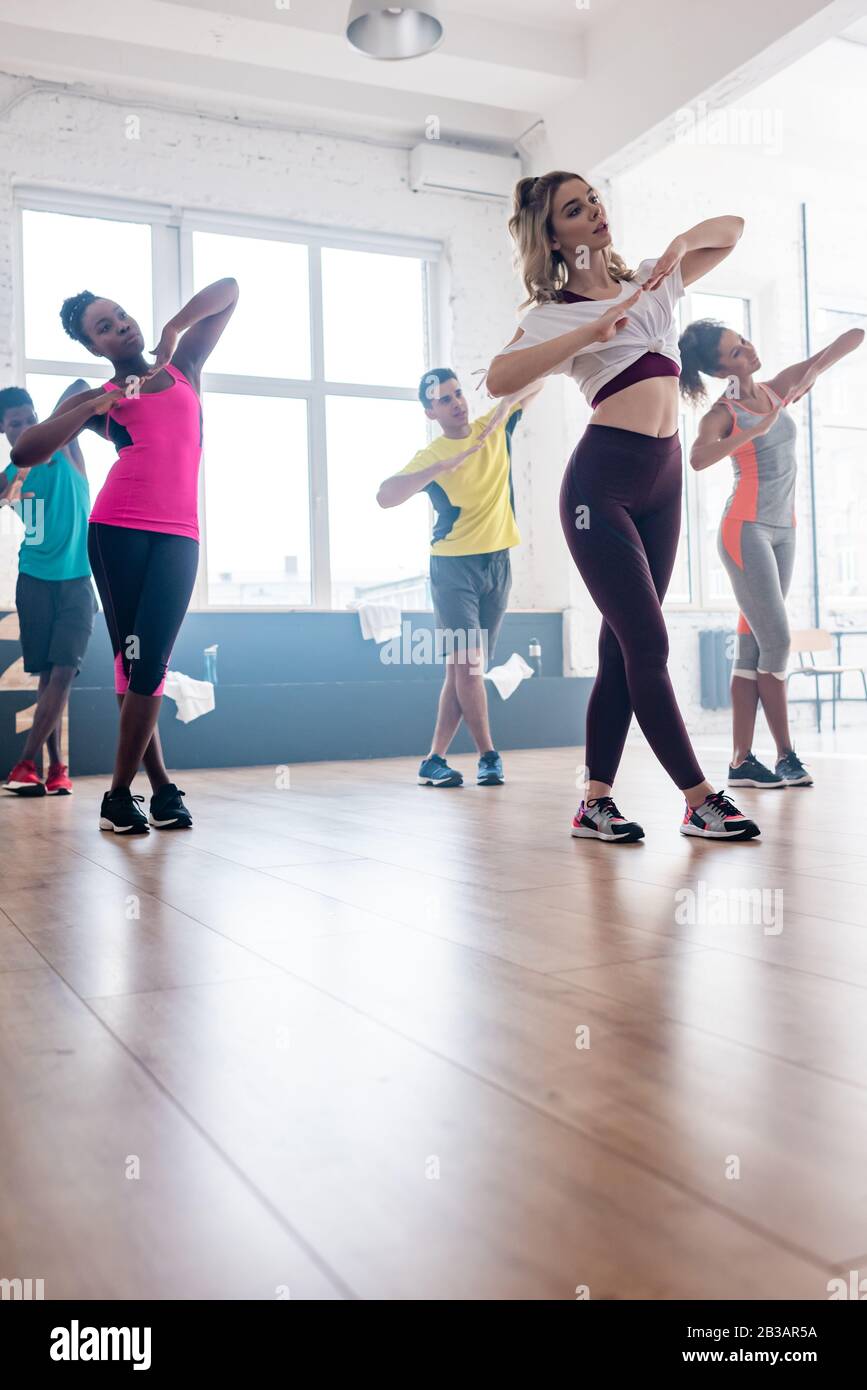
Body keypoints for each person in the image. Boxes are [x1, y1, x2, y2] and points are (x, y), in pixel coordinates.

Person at [486, 169, 760, 842]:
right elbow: (500, 377)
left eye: (593, 199)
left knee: (620, 648)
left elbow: (731, 232)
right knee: (647, 641)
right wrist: (588, 333)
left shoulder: (649, 281)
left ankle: (594, 801)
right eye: (575, 210)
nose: (594, 213)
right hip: (599, 487)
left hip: (662, 483)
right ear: (554, 236)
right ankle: (698, 799)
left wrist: (674, 246)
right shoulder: (551, 316)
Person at [11, 278, 239, 832]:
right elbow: (25, 450)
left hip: (181, 533)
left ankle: (147, 790)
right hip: (118, 530)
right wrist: (100, 401)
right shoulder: (97, 396)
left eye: (120, 316)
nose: (121, 327)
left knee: (144, 660)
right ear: (95, 348)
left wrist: (173, 327)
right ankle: (130, 795)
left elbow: (230, 290)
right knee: (141, 661)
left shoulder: (183, 363)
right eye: (104, 328)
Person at [679, 317, 864, 788]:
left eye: (743, 340)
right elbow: (699, 458)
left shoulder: (778, 390)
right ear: (722, 371)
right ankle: (786, 754)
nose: (748, 349)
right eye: (736, 352)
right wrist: (753, 430)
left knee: (753, 647)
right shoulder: (722, 413)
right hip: (745, 531)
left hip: (785, 530)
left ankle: (741, 762)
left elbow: (841, 347)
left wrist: (823, 362)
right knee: (778, 641)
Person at [377, 368, 539, 787]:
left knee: (461, 671)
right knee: (467, 669)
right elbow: (385, 496)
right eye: (445, 400)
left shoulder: (492, 428)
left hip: (498, 563)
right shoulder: (431, 455)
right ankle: (489, 755)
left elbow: (534, 381)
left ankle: (434, 760)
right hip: (453, 570)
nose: (457, 403)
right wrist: (442, 466)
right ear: (431, 413)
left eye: (458, 394)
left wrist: (505, 388)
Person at [0, 381, 95, 796]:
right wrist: (19, 468)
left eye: (31, 418)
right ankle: (55, 767)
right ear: (4, 431)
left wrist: (47, 428)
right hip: (34, 582)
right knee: (48, 677)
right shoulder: (10, 475)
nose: (27, 426)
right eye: (16, 424)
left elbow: (80, 387)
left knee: (63, 670)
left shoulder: (68, 448)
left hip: (77, 581)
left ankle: (25, 761)